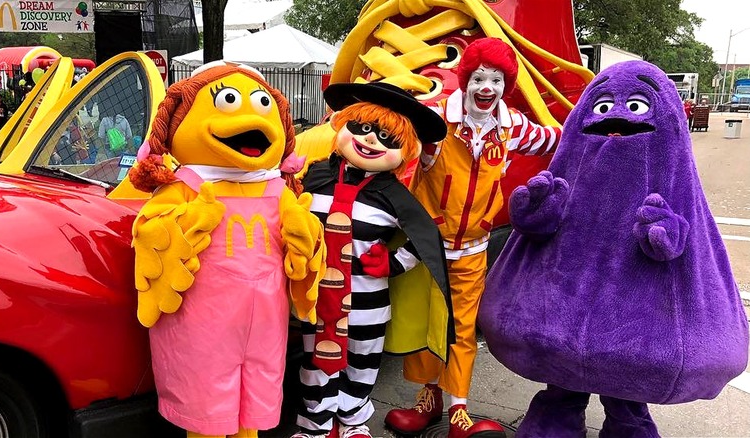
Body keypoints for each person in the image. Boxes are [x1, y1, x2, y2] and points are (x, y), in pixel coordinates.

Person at [479, 60, 748, 438]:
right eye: (603, 105)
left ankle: (628, 421)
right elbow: (538, 228)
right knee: (563, 370)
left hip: (636, 306)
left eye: (637, 104)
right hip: (564, 297)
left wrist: (665, 233)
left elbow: (686, 231)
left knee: (627, 377)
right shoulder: (570, 170)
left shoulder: (668, 173)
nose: (618, 114)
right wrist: (532, 214)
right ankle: (558, 413)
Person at [128, 62, 326, 438]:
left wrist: (305, 234)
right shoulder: (185, 186)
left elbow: (305, 253)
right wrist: (186, 220)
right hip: (201, 325)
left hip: (265, 324)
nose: (253, 120)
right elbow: (148, 234)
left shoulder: (277, 189)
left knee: (254, 401)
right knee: (206, 406)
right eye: (230, 102)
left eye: (263, 106)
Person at [384, 37, 562, 438]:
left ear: (506, 84)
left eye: (496, 80)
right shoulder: (433, 119)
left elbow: (554, 139)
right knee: (426, 323)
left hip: (473, 248)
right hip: (427, 246)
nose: (487, 87)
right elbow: (389, 140)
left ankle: (459, 412)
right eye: (480, 77)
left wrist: (599, 135)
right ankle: (427, 400)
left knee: (463, 328)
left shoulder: (511, 124)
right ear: (465, 79)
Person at [292, 82, 451, 438]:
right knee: (316, 362)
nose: (371, 140)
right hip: (317, 298)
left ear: (405, 150)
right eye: (361, 128)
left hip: (368, 301)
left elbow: (427, 237)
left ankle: (352, 421)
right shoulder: (314, 174)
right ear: (342, 123)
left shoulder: (393, 194)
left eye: (387, 137)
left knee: (362, 362)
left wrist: (394, 263)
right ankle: (316, 425)